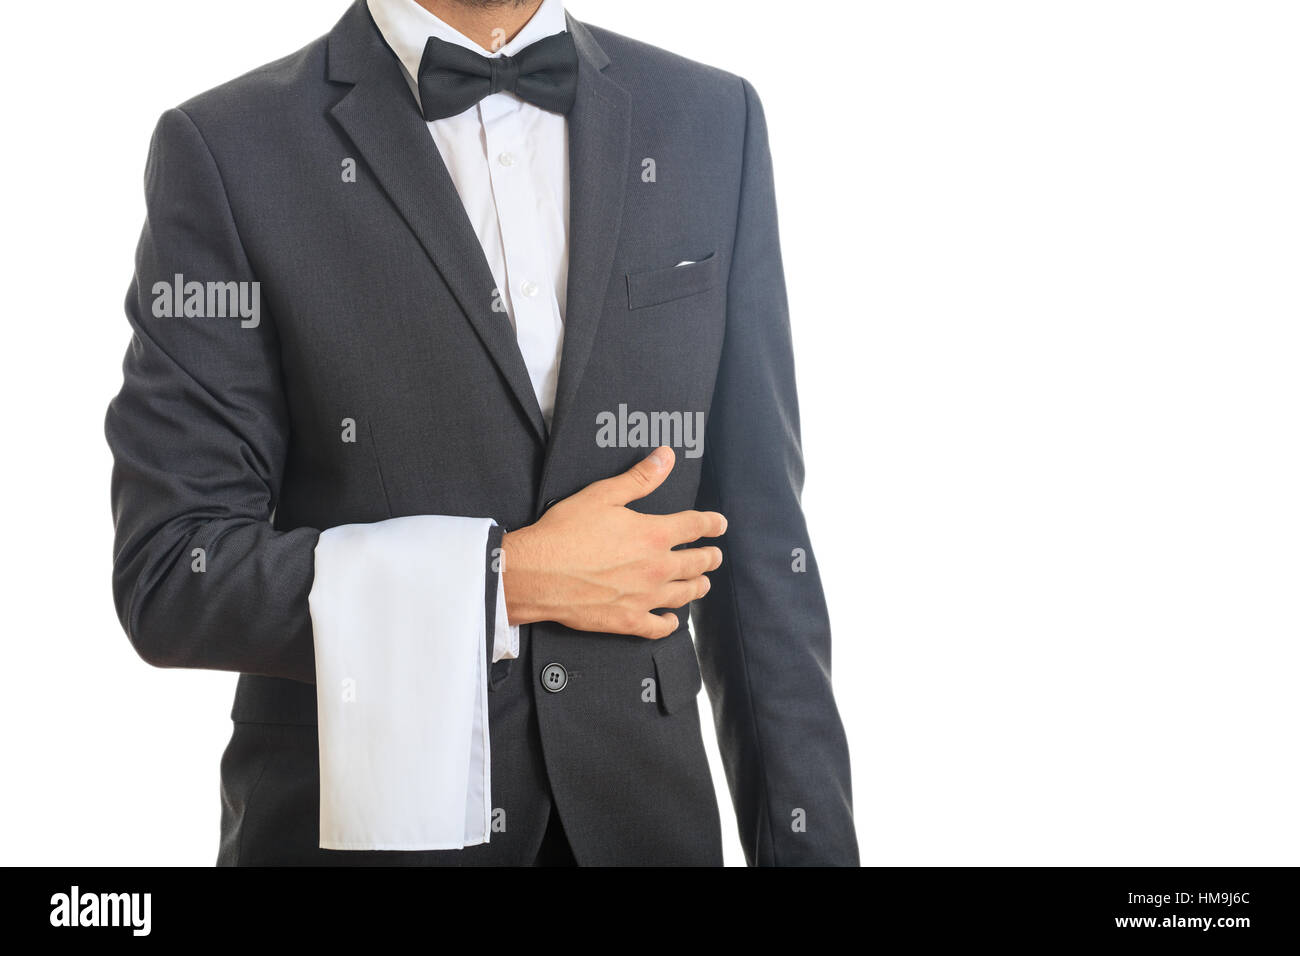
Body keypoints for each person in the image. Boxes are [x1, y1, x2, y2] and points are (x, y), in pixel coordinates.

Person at [106, 0, 858, 866]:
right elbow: (172, 570)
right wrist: (505, 581)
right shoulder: (227, 150)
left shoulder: (712, 120)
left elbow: (761, 554)